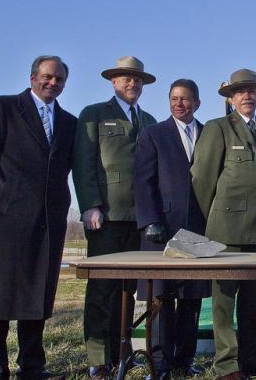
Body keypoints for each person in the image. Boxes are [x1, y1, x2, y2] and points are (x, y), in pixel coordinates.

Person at [0, 55, 76, 380]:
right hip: (7, 221)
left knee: (36, 298)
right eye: (46, 76)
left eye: (59, 80)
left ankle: (33, 368)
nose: (52, 83)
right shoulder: (0, 108)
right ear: (32, 77)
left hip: (48, 222)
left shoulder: (68, 122)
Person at [73, 56, 157, 378]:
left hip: (139, 218)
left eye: (137, 79)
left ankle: (121, 350)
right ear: (113, 82)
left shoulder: (149, 119)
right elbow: (84, 164)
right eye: (126, 78)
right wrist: (90, 205)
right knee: (101, 289)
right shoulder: (94, 115)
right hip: (106, 216)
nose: (132, 84)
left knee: (127, 290)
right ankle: (98, 358)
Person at [191, 69, 256, 380]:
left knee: (254, 300)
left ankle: (253, 358)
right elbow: (202, 180)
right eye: (241, 91)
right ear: (230, 97)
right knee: (224, 301)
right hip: (224, 229)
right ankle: (227, 364)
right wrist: (209, 219)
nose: (247, 96)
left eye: (253, 90)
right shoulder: (217, 129)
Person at [133, 79, 210, 379]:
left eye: (186, 99)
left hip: (197, 228)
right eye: (175, 98)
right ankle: (161, 363)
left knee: (191, 298)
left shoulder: (208, 134)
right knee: (162, 300)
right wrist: (149, 220)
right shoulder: (153, 134)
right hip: (162, 228)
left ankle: (184, 359)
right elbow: (143, 181)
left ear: (197, 103)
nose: (180, 103)